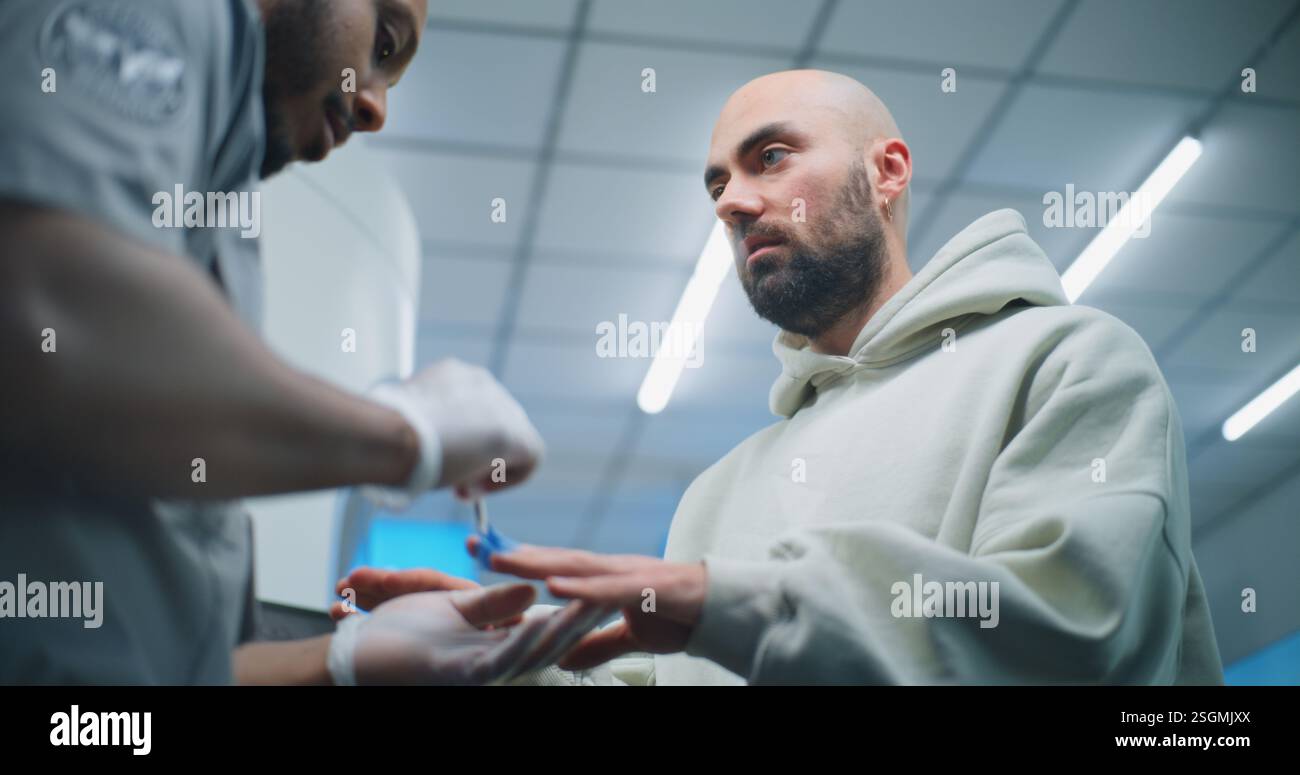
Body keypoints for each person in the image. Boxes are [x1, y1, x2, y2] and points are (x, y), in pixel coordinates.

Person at [342, 69, 1226, 685]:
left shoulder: (1067, 361)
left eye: (770, 157)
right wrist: (506, 659)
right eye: (718, 182)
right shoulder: (719, 491)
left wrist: (725, 597)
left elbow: (1074, 642)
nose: (729, 201)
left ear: (888, 171)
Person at [0, 0, 588, 686]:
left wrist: (343, 658)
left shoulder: (223, 207)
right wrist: (407, 436)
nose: (376, 109)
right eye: (385, 41)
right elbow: (57, 309)